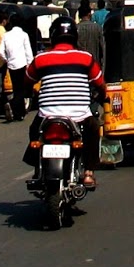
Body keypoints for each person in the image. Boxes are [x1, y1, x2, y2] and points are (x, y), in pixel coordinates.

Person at [28, 20, 105, 190]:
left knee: (34, 131)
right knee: (93, 127)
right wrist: (103, 96)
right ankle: (88, 173)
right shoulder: (86, 58)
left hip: (47, 116)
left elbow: (28, 79)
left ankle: (37, 169)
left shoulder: (41, 58)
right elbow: (100, 83)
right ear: (74, 36)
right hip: (80, 116)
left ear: (53, 36)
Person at [0, 13, 35, 121]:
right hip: (22, 64)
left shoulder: (6, 35)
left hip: (11, 65)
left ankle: (18, 112)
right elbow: (28, 51)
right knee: (21, 89)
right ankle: (16, 109)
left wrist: (7, 59)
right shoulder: (24, 35)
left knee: (15, 87)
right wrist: (30, 64)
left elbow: (1, 51)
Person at [73, 0, 104, 66]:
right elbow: (102, 47)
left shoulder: (74, 28)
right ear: (89, 14)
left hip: (79, 63)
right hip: (94, 63)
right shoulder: (97, 28)